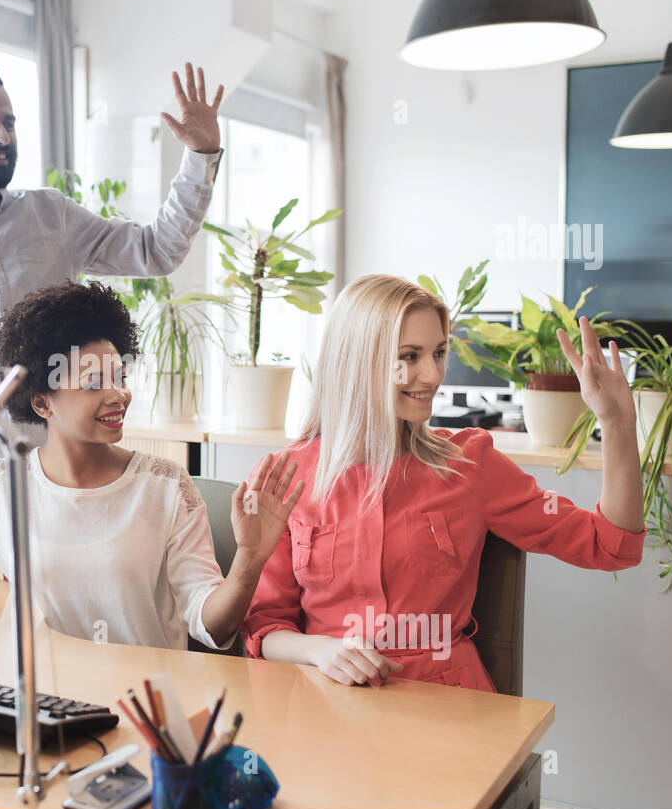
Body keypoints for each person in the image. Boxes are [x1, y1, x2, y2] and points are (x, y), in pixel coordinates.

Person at [243, 274, 646, 689]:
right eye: (410, 356)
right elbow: (264, 627)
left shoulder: (471, 463)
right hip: (329, 704)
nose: (433, 375)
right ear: (357, 362)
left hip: (446, 702)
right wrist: (319, 650)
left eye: (438, 353)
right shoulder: (286, 476)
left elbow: (610, 545)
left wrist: (617, 425)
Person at [0, 59, 224, 455]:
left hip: (61, 471)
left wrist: (201, 155)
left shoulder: (53, 215)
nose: (1, 135)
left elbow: (156, 251)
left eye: (9, 124)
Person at [0, 280, 303, 650]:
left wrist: (249, 559)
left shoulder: (165, 487)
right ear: (42, 404)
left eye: (119, 377)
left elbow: (211, 627)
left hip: (143, 699)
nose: (118, 395)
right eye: (94, 384)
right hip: (45, 697)